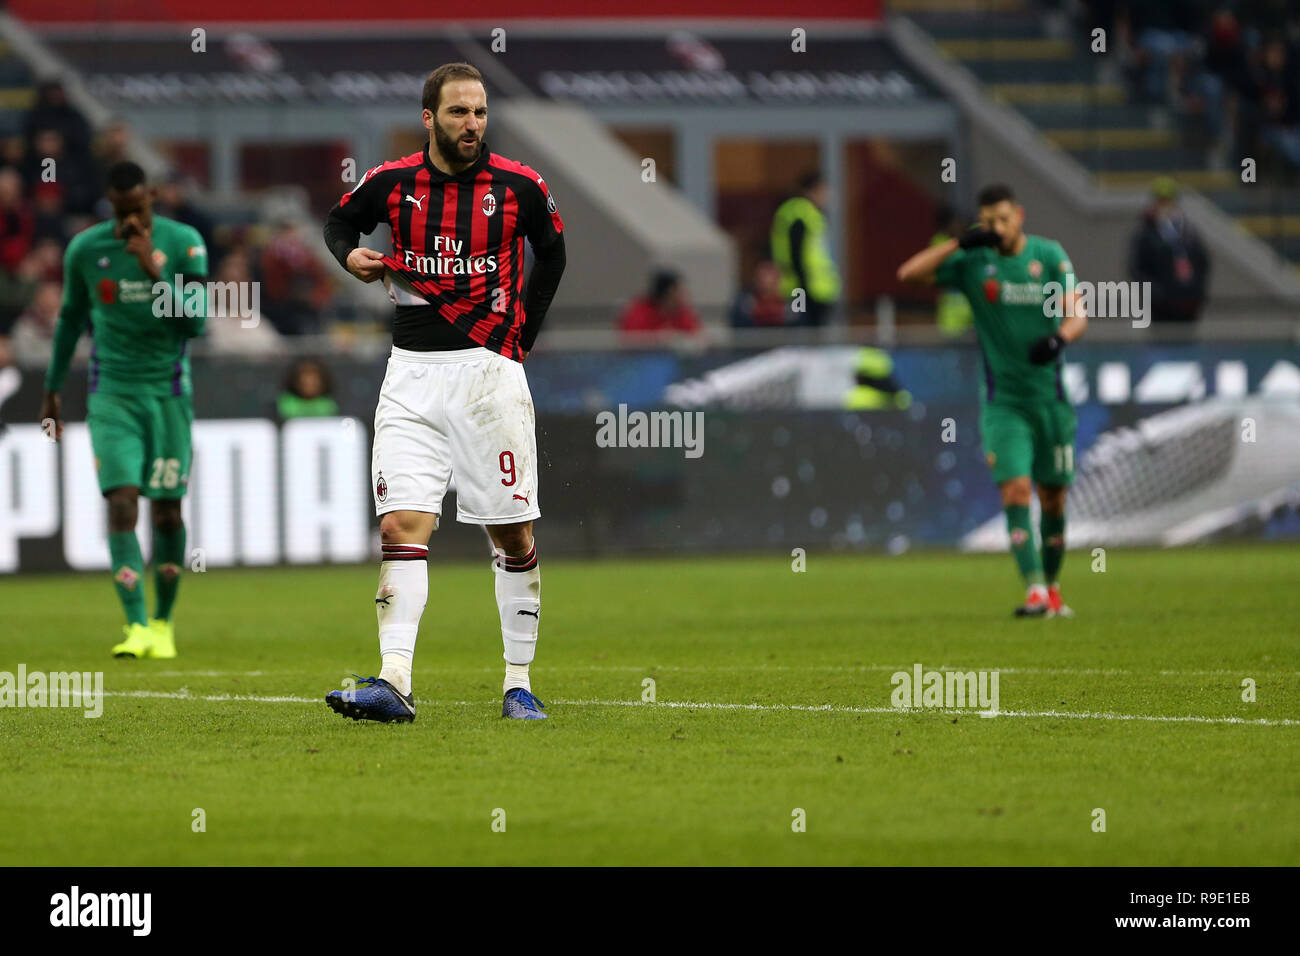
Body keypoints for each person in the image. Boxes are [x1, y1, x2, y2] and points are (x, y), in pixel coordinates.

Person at [322, 61, 566, 722]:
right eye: (459, 112)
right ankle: (393, 681)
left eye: (481, 112)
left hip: (489, 377)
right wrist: (349, 256)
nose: (472, 124)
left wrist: (523, 338)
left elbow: (554, 252)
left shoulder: (519, 186)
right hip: (409, 374)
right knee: (402, 523)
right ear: (429, 118)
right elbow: (338, 224)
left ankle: (519, 683)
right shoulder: (392, 183)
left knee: (511, 534)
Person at [40, 161, 208, 657]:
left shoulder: (184, 242)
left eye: (138, 206)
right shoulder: (86, 249)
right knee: (121, 502)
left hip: (168, 394)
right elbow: (71, 318)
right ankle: (135, 625)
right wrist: (51, 390)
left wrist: (156, 271)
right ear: (110, 204)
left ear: (150, 196)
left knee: (166, 513)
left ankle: (163, 622)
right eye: (121, 209)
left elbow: (195, 324)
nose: (130, 218)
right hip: (112, 393)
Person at [897, 183, 1087, 618]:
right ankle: (1035, 590)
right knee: (1016, 489)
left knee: (1054, 497)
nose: (997, 228)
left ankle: (1054, 588)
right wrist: (958, 243)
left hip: (1051, 399)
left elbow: (1078, 313)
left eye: (1004, 218)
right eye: (989, 221)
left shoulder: (1050, 255)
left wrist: (1060, 339)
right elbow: (909, 274)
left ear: (1019, 215)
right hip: (1004, 402)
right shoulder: (973, 262)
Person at [1127, 177, 1209, 323]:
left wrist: (1197, 291)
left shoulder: (1187, 231)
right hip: (1160, 309)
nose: (1166, 206)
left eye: (1169, 201)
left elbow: (1202, 262)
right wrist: (1157, 293)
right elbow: (1136, 269)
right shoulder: (1146, 234)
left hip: (1188, 306)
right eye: (1161, 201)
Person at [770, 171, 841, 327]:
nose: (827, 196)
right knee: (801, 331)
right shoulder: (800, 213)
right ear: (815, 189)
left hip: (812, 288)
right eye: (824, 190)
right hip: (801, 289)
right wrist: (803, 285)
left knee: (808, 334)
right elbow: (796, 252)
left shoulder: (808, 213)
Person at [929, 204, 975, 338]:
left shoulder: (968, 239)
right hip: (950, 315)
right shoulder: (939, 241)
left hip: (971, 310)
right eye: (955, 221)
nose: (958, 224)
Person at [618, 269, 701, 334]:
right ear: (668, 292)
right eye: (679, 290)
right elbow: (632, 341)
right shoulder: (640, 311)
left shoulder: (682, 313)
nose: (685, 293)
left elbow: (696, 335)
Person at [729, 258, 788, 328]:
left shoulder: (790, 308)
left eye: (772, 278)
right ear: (756, 280)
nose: (767, 282)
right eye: (764, 276)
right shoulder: (744, 306)